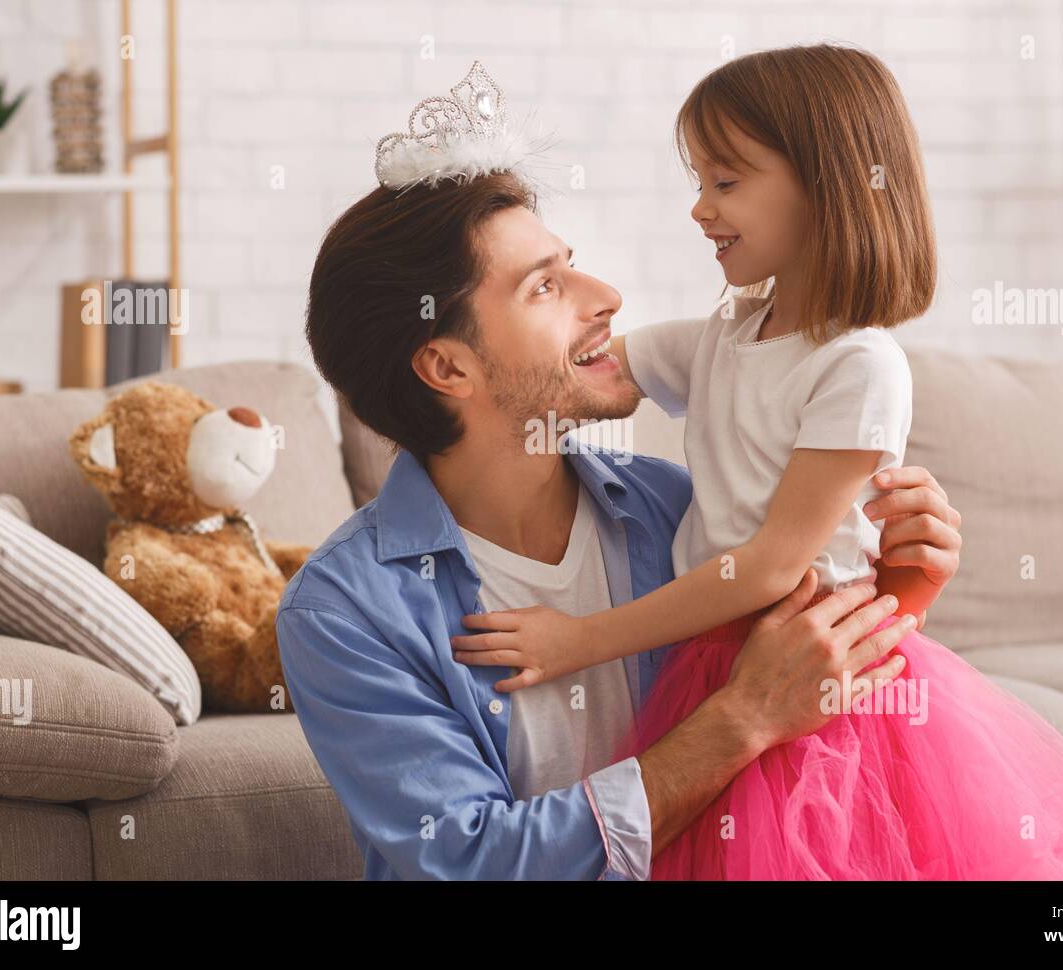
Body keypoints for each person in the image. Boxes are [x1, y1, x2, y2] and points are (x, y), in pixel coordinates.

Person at [454, 46, 1063, 880]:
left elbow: (769, 568)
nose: (699, 209)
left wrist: (578, 641)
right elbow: (571, 377)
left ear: (826, 186)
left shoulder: (858, 365)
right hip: (716, 665)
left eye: (725, 182)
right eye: (699, 181)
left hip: (812, 672)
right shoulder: (725, 335)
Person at [276, 59, 963, 881]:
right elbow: (474, 865)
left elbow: (825, 722)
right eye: (545, 288)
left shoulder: (676, 512)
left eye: (574, 262)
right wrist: (739, 722)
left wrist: (896, 585)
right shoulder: (347, 612)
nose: (604, 296)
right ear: (447, 369)